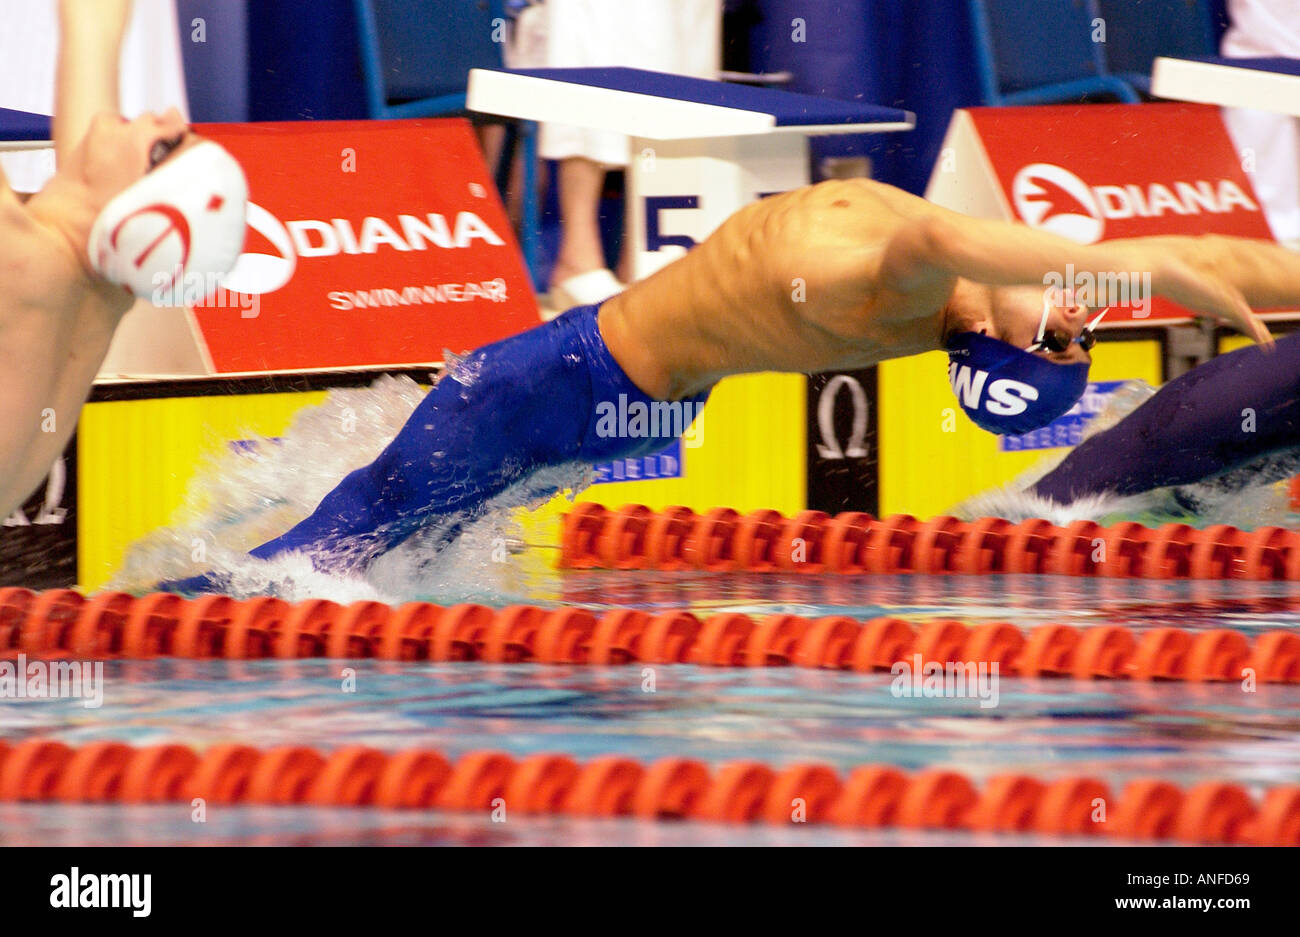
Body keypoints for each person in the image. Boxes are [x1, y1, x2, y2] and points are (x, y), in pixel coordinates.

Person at [157, 175, 1300, 594]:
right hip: (541, 386)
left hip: (602, 408)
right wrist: (1165, 266)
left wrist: (1145, 268)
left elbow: (994, 257)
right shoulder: (881, 249)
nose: (1082, 317)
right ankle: (149, 621)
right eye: (1076, 328)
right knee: (309, 569)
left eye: (1065, 334)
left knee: (386, 572)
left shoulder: (931, 279)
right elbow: (1183, 264)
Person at [0, 0, 248, 518]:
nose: (170, 114)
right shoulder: (102, 286)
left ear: (132, 215)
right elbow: (93, 23)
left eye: (164, 147)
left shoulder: (16, 252)